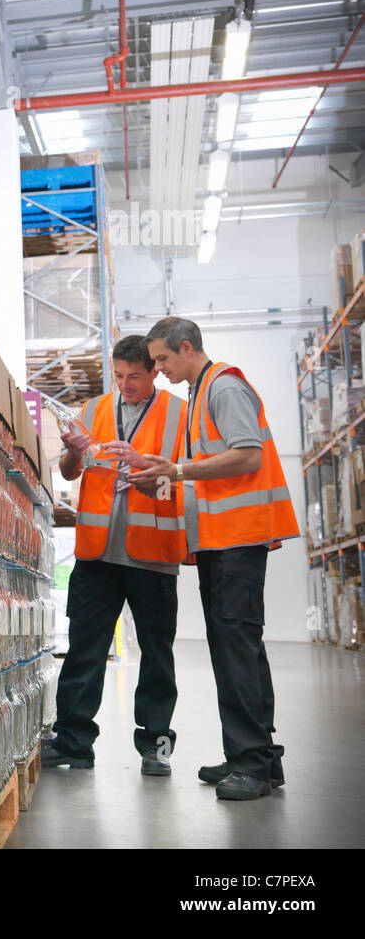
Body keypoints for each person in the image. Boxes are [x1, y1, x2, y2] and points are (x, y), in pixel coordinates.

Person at [134, 317, 298, 801]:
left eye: (163, 359)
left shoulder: (223, 387)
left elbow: (247, 456)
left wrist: (179, 469)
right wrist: (164, 479)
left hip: (237, 542)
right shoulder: (200, 393)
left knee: (236, 652)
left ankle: (252, 763)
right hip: (218, 542)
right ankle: (257, 757)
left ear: (187, 348)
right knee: (236, 652)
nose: (158, 369)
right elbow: (206, 475)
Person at [43, 335, 188, 776]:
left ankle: (156, 746)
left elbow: (188, 482)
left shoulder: (179, 417)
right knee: (85, 648)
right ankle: (73, 742)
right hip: (97, 552)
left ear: (154, 373)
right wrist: (72, 451)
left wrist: (151, 476)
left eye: (136, 377)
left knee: (156, 654)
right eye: (119, 376)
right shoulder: (92, 411)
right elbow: (71, 472)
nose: (125, 385)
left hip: (153, 554)